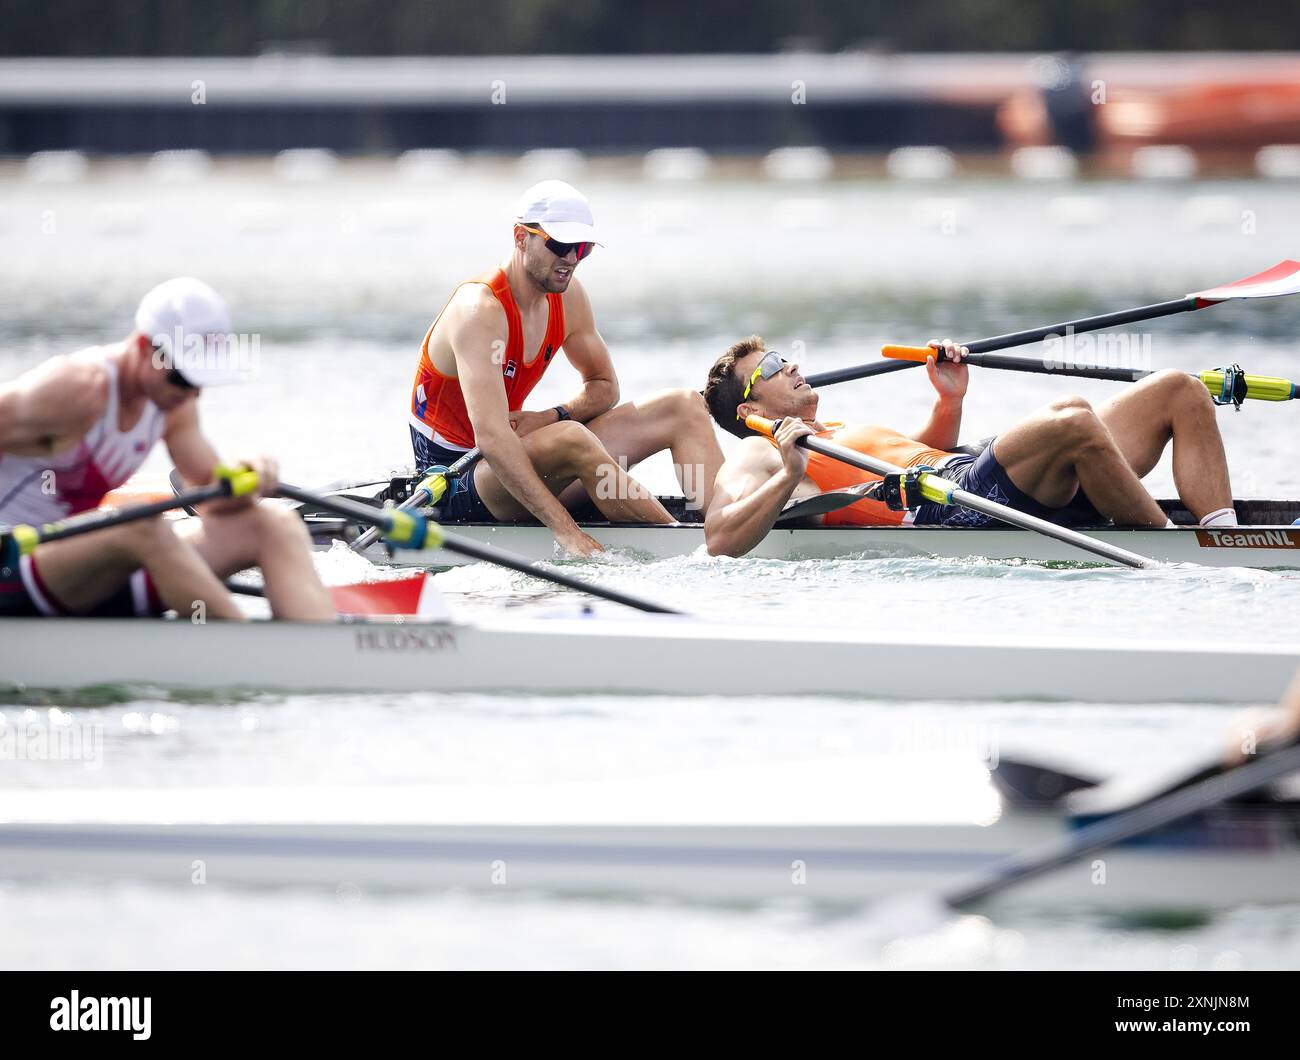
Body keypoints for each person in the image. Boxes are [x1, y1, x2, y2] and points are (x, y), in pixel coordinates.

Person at [702, 334, 1239, 557]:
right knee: (1072, 417)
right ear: (750, 410)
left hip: (968, 476)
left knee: (1179, 388)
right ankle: (1177, 551)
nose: (791, 364)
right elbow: (720, 536)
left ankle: (1227, 536)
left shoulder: (835, 432)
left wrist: (949, 399)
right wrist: (788, 474)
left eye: (783, 357)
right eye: (772, 368)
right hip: (955, 513)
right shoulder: (760, 452)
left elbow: (919, 456)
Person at [408, 179, 724, 556]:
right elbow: (491, 439)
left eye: (583, 248)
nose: (572, 259)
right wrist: (565, 530)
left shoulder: (569, 298)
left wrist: (549, 415)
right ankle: (692, 549)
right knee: (572, 438)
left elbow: (604, 386)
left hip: (512, 455)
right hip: (457, 476)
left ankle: (729, 519)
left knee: (683, 406)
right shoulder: (480, 311)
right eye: (560, 245)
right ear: (520, 237)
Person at [0, 277, 334, 620]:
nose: (192, 394)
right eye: (183, 378)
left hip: (86, 569)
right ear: (145, 348)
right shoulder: (76, 387)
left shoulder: (172, 407)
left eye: (201, 381)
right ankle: (246, 652)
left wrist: (247, 475)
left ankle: (322, 652)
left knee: (274, 522)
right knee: (141, 523)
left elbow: (214, 500)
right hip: (11, 569)